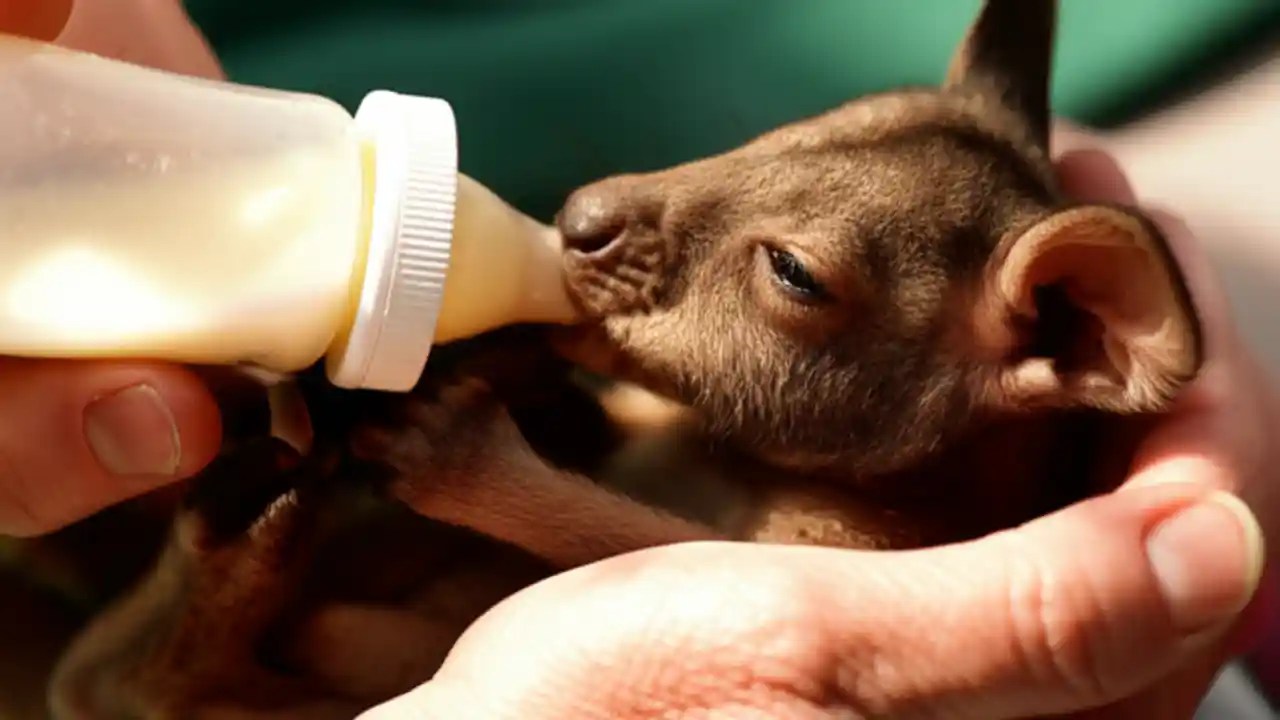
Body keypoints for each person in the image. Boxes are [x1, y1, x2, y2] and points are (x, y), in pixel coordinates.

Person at [2, 2, 1277, 717]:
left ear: (1050, 340)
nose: (600, 210)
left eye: (788, 278)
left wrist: (500, 485)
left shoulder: (898, 533)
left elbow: (733, 591)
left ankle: (173, 634)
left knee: (272, 663)